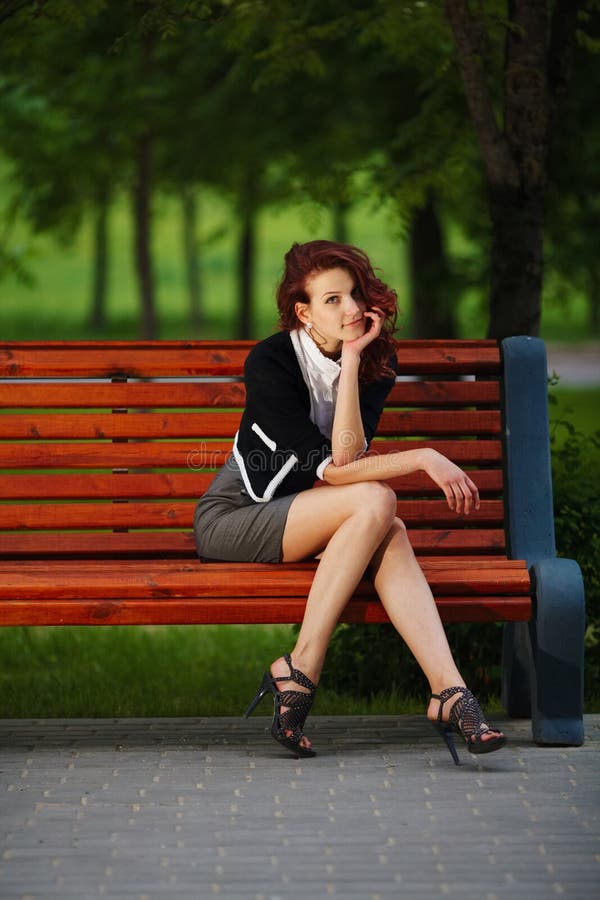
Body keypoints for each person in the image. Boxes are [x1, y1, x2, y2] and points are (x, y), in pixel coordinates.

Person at [194, 239, 506, 764]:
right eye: (332, 299)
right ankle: (304, 666)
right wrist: (424, 456)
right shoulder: (271, 361)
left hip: (306, 512)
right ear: (304, 311)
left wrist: (354, 360)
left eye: (354, 294)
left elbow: (345, 453)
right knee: (375, 501)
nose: (351, 308)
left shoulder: (375, 362)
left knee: (388, 526)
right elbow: (338, 472)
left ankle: (448, 691)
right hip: (236, 514)